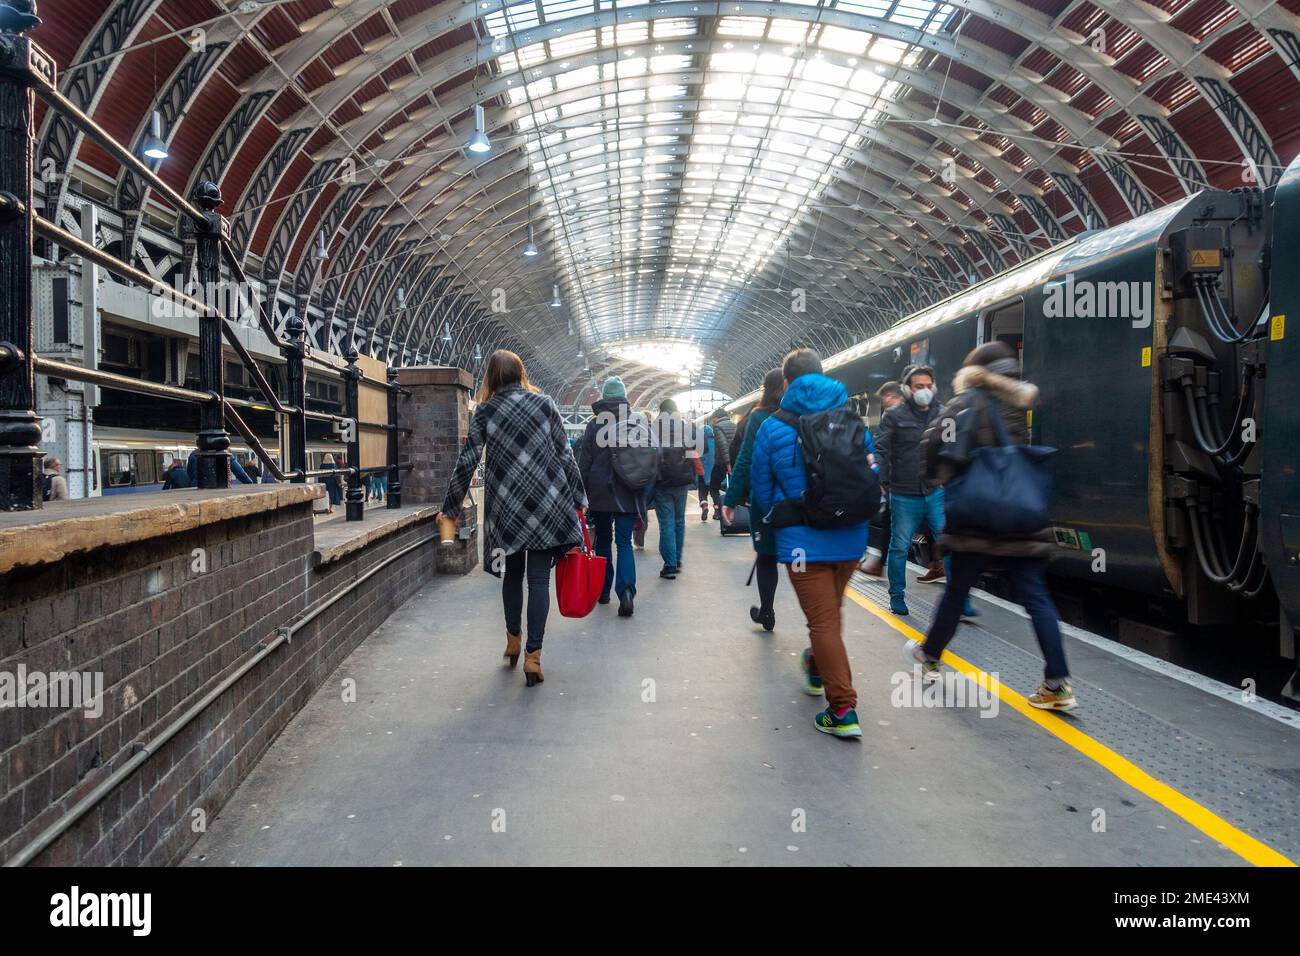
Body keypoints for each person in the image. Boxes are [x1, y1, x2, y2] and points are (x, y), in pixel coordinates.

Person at [910, 341, 1075, 710]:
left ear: (974, 371)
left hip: (976, 517)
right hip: (1021, 516)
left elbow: (935, 441)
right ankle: (1057, 684)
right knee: (1037, 598)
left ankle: (931, 655)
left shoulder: (967, 402)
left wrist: (942, 475)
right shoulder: (1020, 402)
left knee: (957, 591)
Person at [437, 350, 586, 687]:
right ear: (521, 373)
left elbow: (467, 461)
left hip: (508, 509)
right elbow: (566, 456)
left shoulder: (487, 411)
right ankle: (534, 657)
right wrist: (579, 498)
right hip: (547, 505)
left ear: (491, 376)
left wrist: (449, 507)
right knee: (538, 581)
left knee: (512, 576)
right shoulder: (544, 404)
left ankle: (513, 640)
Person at [751, 348, 873, 739]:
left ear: (786, 383)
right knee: (830, 617)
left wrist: (780, 524)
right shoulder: (853, 419)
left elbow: (762, 492)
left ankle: (842, 710)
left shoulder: (772, 427)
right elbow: (872, 472)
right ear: (823, 375)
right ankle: (817, 665)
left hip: (803, 545)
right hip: (852, 537)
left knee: (822, 621)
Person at [876, 363, 974, 618]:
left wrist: (950, 479)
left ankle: (959, 600)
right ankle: (897, 597)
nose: (924, 391)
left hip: (935, 491)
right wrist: (883, 483)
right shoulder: (893, 416)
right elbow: (882, 451)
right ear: (907, 389)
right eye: (919, 386)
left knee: (950, 544)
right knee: (899, 547)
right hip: (903, 492)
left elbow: (953, 448)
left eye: (928, 386)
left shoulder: (944, 415)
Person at [578, 376, 654, 618]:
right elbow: (651, 456)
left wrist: (580, 494)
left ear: (604, 397)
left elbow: (584, 463)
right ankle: (627, 592)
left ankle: (603, 591)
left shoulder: (595, 424)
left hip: (600, 493)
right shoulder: (638, 421)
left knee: (602, 542)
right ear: (624, 397)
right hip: (628, 492)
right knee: (624, 543)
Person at [722, 368, 785, 631]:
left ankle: (767, 612)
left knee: (767, 557)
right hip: (799, 499)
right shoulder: (807, 413)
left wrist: (731, 498)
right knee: (802, 562)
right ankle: (815, 622)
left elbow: (745, 459)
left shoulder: (758, 417)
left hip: (767, 501)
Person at [651, 398, 697, 579]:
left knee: (667, 523)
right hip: (682, 481)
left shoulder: (654, 427)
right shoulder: (684, 427)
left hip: (662, 481)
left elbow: (650, 453)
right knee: (679, 521)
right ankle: (676, 560)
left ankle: (669, 565)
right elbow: (695, 452)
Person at [706, 408, 734, 520]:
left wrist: (727, 463)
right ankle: (733, 509)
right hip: (735, 460)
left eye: (713, 419)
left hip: (722, 463)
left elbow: (723, 446)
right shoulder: (734, 425)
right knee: (733, 486)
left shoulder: (717, 427)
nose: (712, 421)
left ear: (716, 418)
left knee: (713, 486)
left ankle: (718, 509)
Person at [186, 450, 253, 487]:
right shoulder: (226, 452)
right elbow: (239, 472)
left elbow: (189, 473)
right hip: (220, 486)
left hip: (198, 486)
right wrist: (249, 482)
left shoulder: (193, 454)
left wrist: (193, 484)